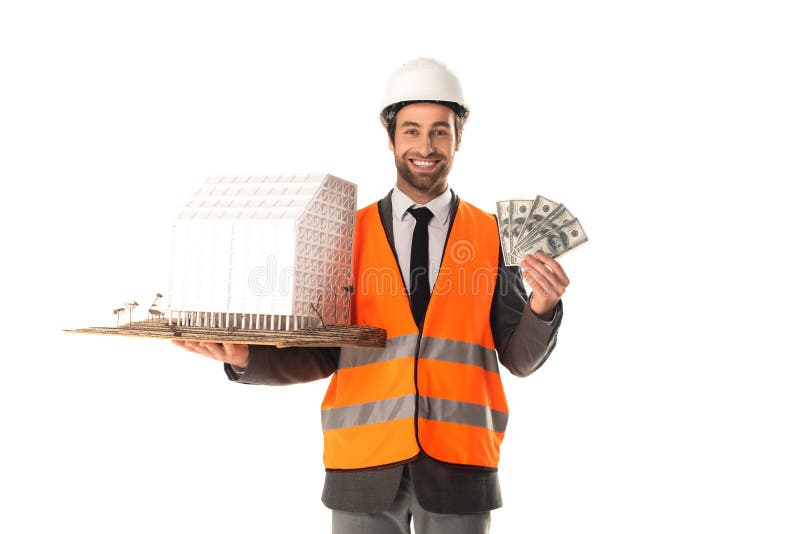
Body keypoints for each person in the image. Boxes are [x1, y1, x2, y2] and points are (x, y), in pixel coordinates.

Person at [174, 57, 570, 534]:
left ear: (459, 138)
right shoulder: (345, 233)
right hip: (361, 466)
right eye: (411, 131)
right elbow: (323, 350)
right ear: (391, 138)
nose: (425, 146)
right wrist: (247, 358)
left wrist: (542, 308)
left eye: (440, 132)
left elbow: (519, 358)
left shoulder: (493, 235)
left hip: (461, 467)